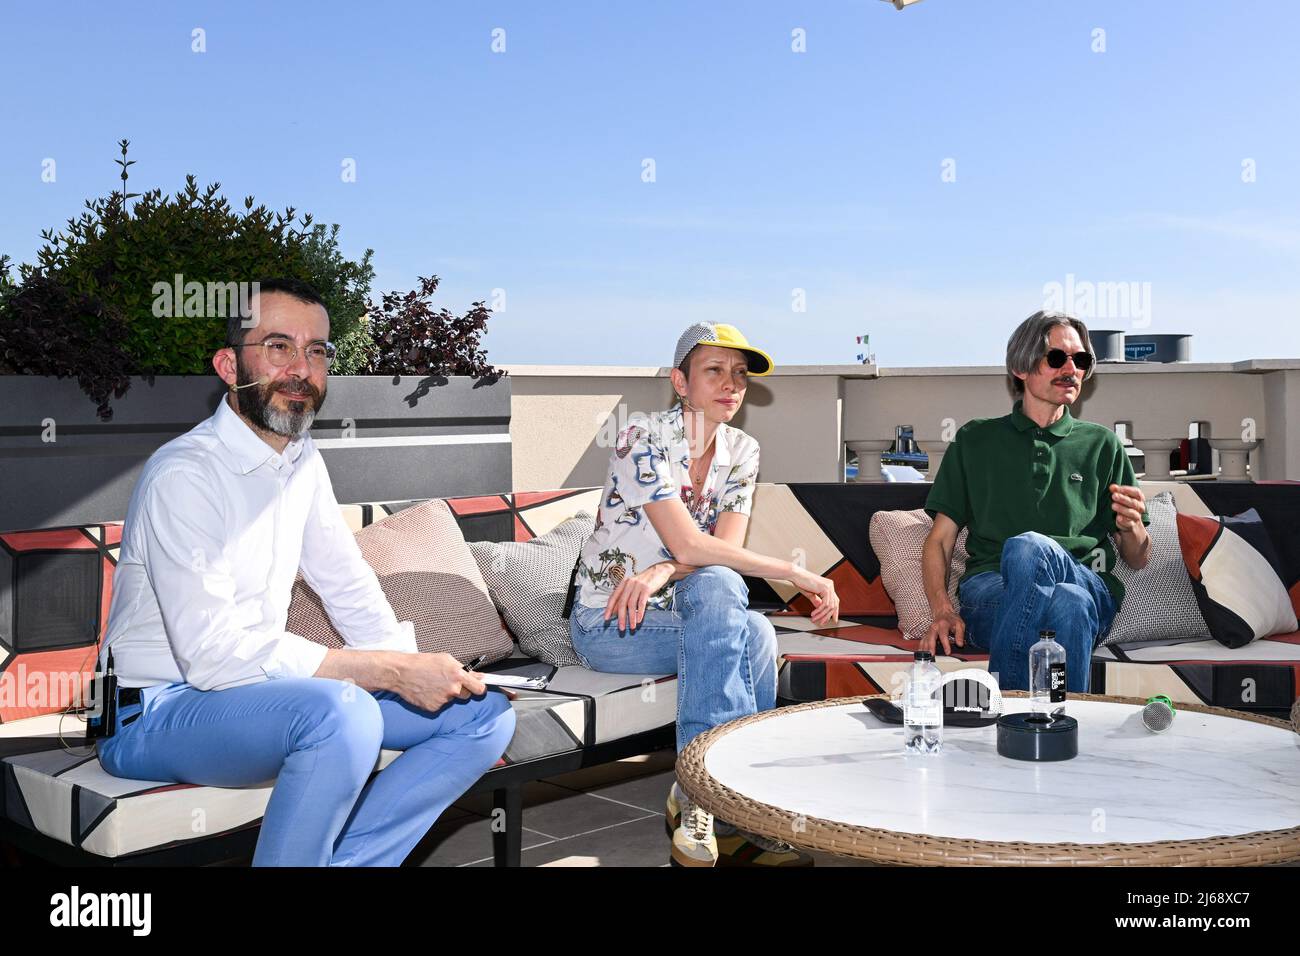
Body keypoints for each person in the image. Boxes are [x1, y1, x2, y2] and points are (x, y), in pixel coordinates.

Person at [95, 278, 515, 866]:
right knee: (342, 716)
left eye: (316, 350)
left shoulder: (300, 458)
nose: (300, 368)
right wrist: (388, 671)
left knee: (482, 716)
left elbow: (345, 582)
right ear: (228, 366)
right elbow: (212, 656)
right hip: (152, 709)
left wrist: (416, 668)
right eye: (278, 346)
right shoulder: (185, 476)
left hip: (254, 694)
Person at [569, 321, 840, 867]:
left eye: (739, 374)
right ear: (680, 382)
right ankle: (716, 800)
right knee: (741, 616)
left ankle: (718, 805)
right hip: (612, 622)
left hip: (690, 609)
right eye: (714, 370)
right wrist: (797, 574)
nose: (731, 384)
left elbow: (720, 554)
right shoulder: (641, 437)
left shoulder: (742, 450)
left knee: (753, 625)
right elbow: (695, 545)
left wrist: (664, 569)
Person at [920, 310, 1151, 692]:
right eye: (1057, 358)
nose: (1071, 369)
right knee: (1069, 603)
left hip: (1087, 580)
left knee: (1033, 551)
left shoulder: (1103, 445)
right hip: (991, 590)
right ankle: (1059, 720)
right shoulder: (976, 440)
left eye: (1081, 360)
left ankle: (1006, 710)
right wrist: (942, 610)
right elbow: (940, 540)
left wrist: (1133, 527)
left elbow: (1137, 557)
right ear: (1021, 367)